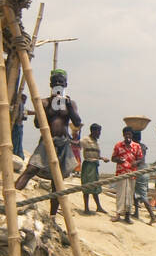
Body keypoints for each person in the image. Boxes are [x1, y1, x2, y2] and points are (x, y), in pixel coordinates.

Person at [15, 69, 82, 217]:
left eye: (61, 82)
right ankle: (11, 201)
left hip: (63, 144)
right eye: (56, 82)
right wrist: (46, 108)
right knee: (30, 170)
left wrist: (69, 106)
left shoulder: (71, 103)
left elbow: (77, 122)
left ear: (66, 84)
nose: (58, 84)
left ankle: (52, 216)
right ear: (51, 84)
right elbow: (38, 124)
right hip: (47, 142)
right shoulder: (44, 102)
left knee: (57, 181)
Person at [112, 126, 143, 224]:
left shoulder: (137, 146)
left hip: (132, 173)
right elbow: (113, 158)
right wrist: (118, 160)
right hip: (121, 173)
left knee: (129, 194)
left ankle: (127, 215)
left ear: (132, 135)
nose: (127, 136)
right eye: (126, 134)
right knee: (120, 194)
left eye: (129, 134)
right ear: (123, 135)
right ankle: (118, 214)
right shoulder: (118, 145)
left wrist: (136, 163)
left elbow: (141, 159)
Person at [130, 130, 156, 224]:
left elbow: (139, 160)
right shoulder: (143, 146)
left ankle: (152, 216)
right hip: (143, 170)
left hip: (140, 171)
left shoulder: (136, 146)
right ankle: (136, 212)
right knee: (135, 192)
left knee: (142, 194)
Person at [80, 123, 107, 214]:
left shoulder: (95, 142)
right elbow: (77, 144)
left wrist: (102, 158)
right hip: (88, 166)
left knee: (95, 186)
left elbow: (95, 155)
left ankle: (98, 207)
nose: (99, 133)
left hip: (95, 165)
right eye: (98, 131)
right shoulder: (85, 140)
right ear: (93, 131)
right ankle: (86, 208)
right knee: (87, 186)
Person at [10, 92, 29, 159]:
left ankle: (17, 154)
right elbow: (23, 116)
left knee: (17, 141)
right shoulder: (20, 105)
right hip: (17, 126)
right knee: (16, 142)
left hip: (17, 125)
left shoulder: (19, 105)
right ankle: (17, 155)